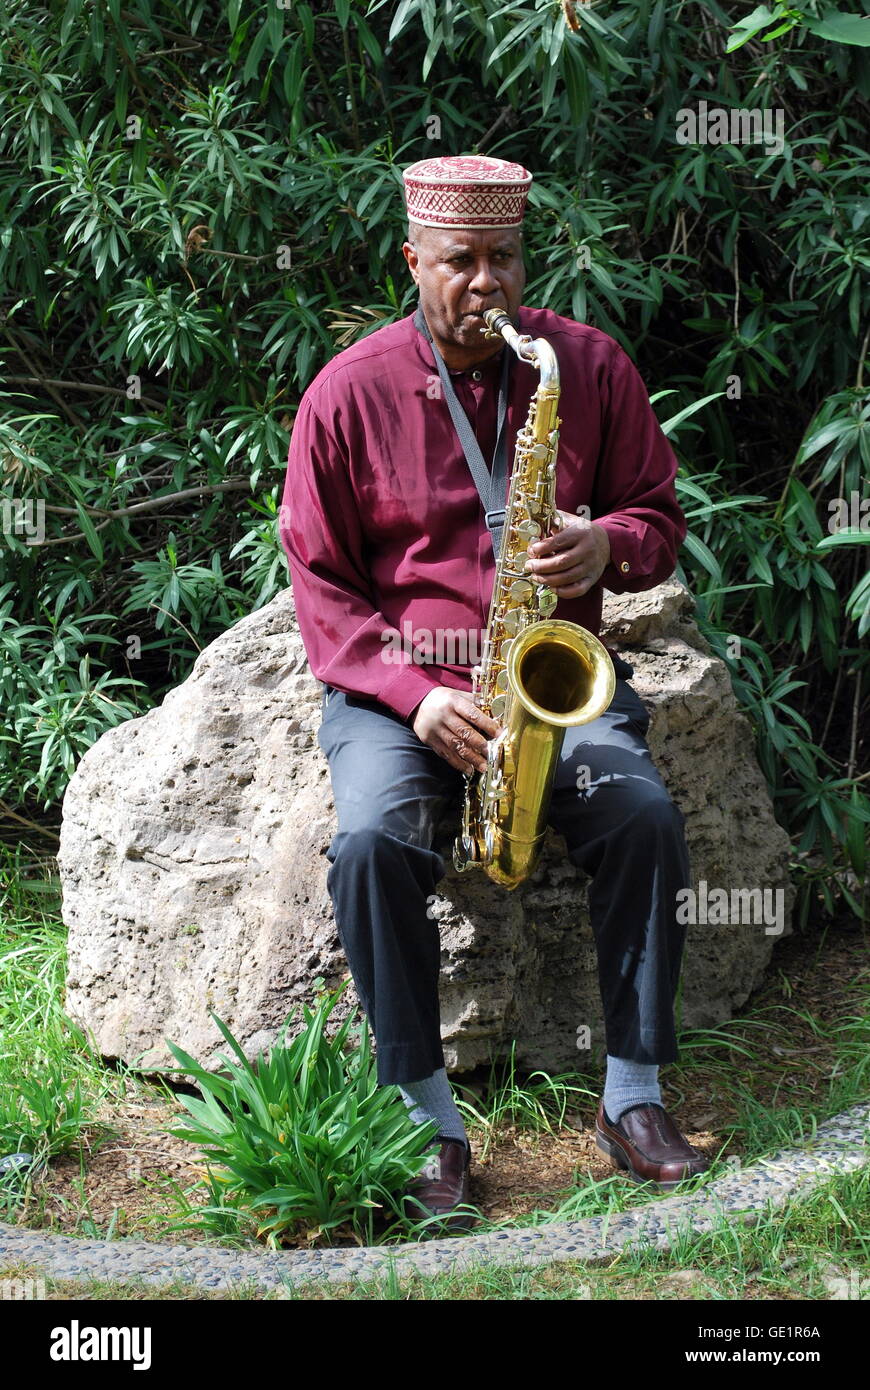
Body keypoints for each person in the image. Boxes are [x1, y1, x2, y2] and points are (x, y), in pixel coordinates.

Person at [278, 153, 709, 1231]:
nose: (486, 284)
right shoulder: (346, 393)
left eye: (503, 258)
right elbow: (321, 584)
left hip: (548, 676)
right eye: (459, 262)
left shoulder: (587, 365)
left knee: (646, 816)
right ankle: (424, 1113)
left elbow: (657, 518)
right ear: (412, 260)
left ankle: (635, 1097)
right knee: (374, 844)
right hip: (404, 697)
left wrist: (604, 543)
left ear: (526, 255)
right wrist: (412, 694)